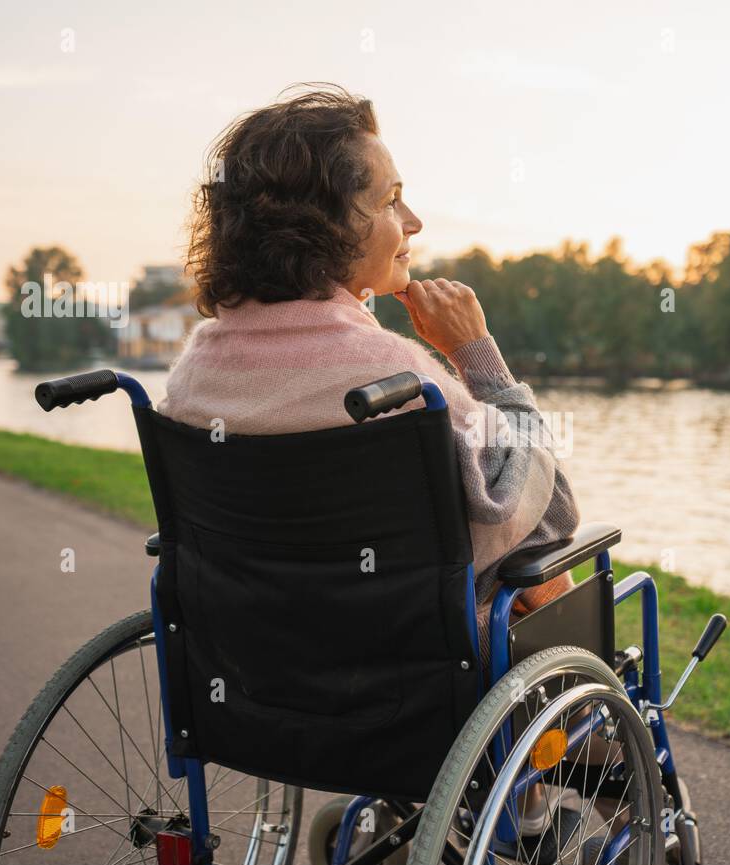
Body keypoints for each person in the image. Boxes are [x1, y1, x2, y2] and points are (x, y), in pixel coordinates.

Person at [158, 82, 581, 668]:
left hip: (261, 674)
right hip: (416, 678)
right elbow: (549, 512)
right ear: (325, 225)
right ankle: (594, 745)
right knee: (565, 584)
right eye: (390, 201)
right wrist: (476, 353)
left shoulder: (193, 376)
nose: (413, 222)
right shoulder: (398, 381)